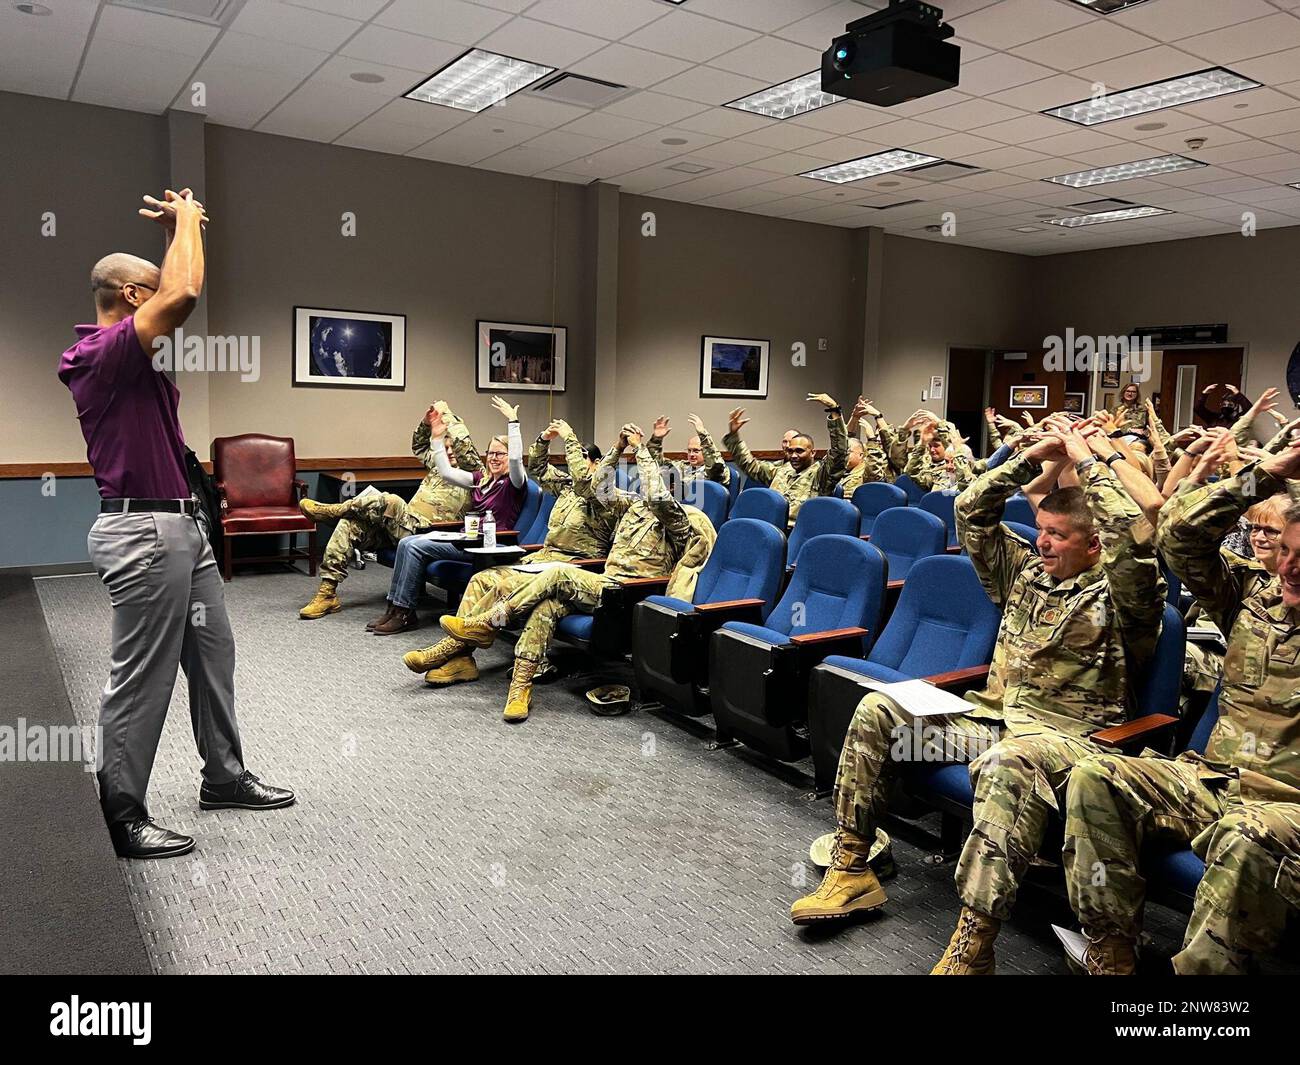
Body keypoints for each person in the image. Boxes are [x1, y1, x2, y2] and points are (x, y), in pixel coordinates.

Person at [789, 424, 1164, 976]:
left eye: (1059, 535)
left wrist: (1087, 459)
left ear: (1095, 544)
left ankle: (974, 942)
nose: (1043, 542)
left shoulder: (1127, 595)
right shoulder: (1027, 572)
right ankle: (852, 869)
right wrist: (1024, 455)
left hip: (1071, 746)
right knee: (880, 708)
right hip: (990, 722)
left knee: (1007, 763)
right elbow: (971, 508)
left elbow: (1136, 537)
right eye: (1042, 529)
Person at [59, 188, 293, 860]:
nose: (167, 313)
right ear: (133, 298)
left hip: (183, 531)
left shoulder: (129, 360)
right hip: (143, 535)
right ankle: (121, 811)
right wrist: (188, 219)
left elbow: (174, 289)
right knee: (143, 675)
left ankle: (223, 775)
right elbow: (184, 292)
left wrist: (172, 240)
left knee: (213, 656)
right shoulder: (100, 357)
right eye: (151, 296)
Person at [1061, 434, 1300, 974]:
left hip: (1287, 809)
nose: (1288, 568)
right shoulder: (1252, 598)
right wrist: (1263, 473)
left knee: (1246, 836)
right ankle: (1112, 951)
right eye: (1284, 551)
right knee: (1097, 776)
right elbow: (1179, 533)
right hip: (1218, 782)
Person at [434, 425, 715, 723]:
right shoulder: (631, 506)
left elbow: (658, 497)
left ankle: (488, 623)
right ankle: (520, 686)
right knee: (546, 606)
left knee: (558, 572)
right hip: (600, 585)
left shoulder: (680, 520)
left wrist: (640, 449)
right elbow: (594, 487)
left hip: (626, 591)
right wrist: (618, 448)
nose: (650, 487)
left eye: (663, 482)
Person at [400, 418, 616, 684]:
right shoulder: (566, 489)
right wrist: (545, 439)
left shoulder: (607, 496)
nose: (576, 464)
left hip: (574, 568)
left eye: (584, 458)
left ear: (599, 465)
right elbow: (536, 467)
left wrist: (569, 437)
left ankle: (453, 647)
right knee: (482, 579)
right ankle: (462, 659)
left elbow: (583, 482)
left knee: (505, 586)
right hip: (542, 559)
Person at [296, 406, 474, 620]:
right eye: (446, 448)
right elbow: (418, 445)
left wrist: (448, 416)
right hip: (402, 526)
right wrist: (427, 423)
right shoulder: (438, 467)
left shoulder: (474, 476)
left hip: (427, 534)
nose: (450, 452)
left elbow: (466, 448)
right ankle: (327, 594)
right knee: (350, 523)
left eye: (454, 448)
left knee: (391, 500)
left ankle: (332, 510)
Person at [371, 397, 527, 635]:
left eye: (501, 454)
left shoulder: (513, 484)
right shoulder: (479, 481)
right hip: (467, 541)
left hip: (489, 547)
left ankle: (405, 612)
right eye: (491, 453)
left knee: (415, 547)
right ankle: (394, 607)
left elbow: (517, 460)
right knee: (406, 542)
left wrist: (513, 422)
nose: (495, 458)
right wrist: (436, 437)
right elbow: (446, 471)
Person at [724, 394, 848, 526]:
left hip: (796, 530)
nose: (794, 456)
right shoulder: (782, 470)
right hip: (768, 524)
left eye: (800, 451)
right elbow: (750, 465)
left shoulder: (821, 475)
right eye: (790, 451)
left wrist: (834, 410)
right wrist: (734, 437)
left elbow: (839, 453)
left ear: (813, 453)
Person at [647, 413, 729, 487]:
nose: (691, 454)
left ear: (704, 451)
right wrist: (656, 440)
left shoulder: (717, 470)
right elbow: (658, 463)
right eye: (689, 451)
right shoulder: (681, 467)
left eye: (696, 451)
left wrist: (703, 435)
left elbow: (714, 463)